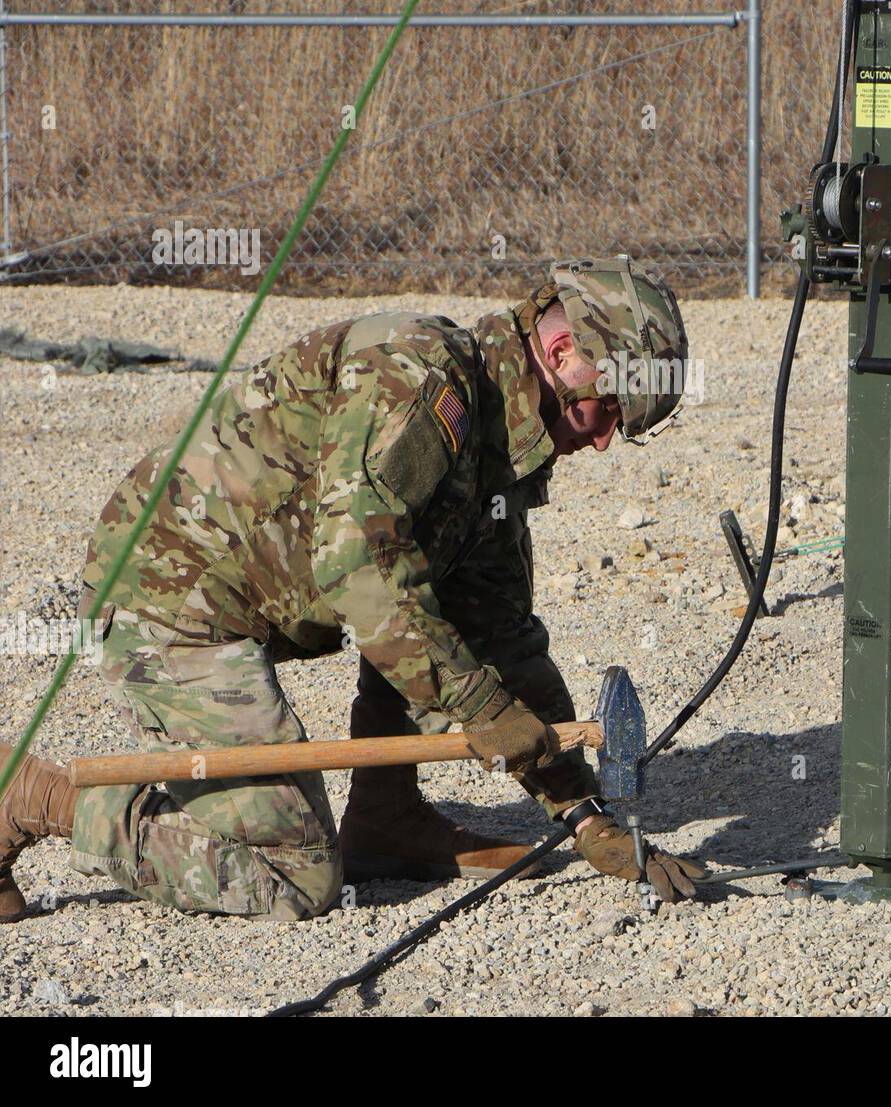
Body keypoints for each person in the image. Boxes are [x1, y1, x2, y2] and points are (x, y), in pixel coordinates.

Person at [1, 256, 705, 921]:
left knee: (431, 611)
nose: (609, 439)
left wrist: (585, 815)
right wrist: (482, 707)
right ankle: (35, 796)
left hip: (241, 597)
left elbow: (500, 636)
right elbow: (357, 567)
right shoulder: (421, 376)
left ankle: (386, 815)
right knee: (298, 876)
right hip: (167, 597)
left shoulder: (497, 442)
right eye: (612, 409)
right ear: (561, 358)